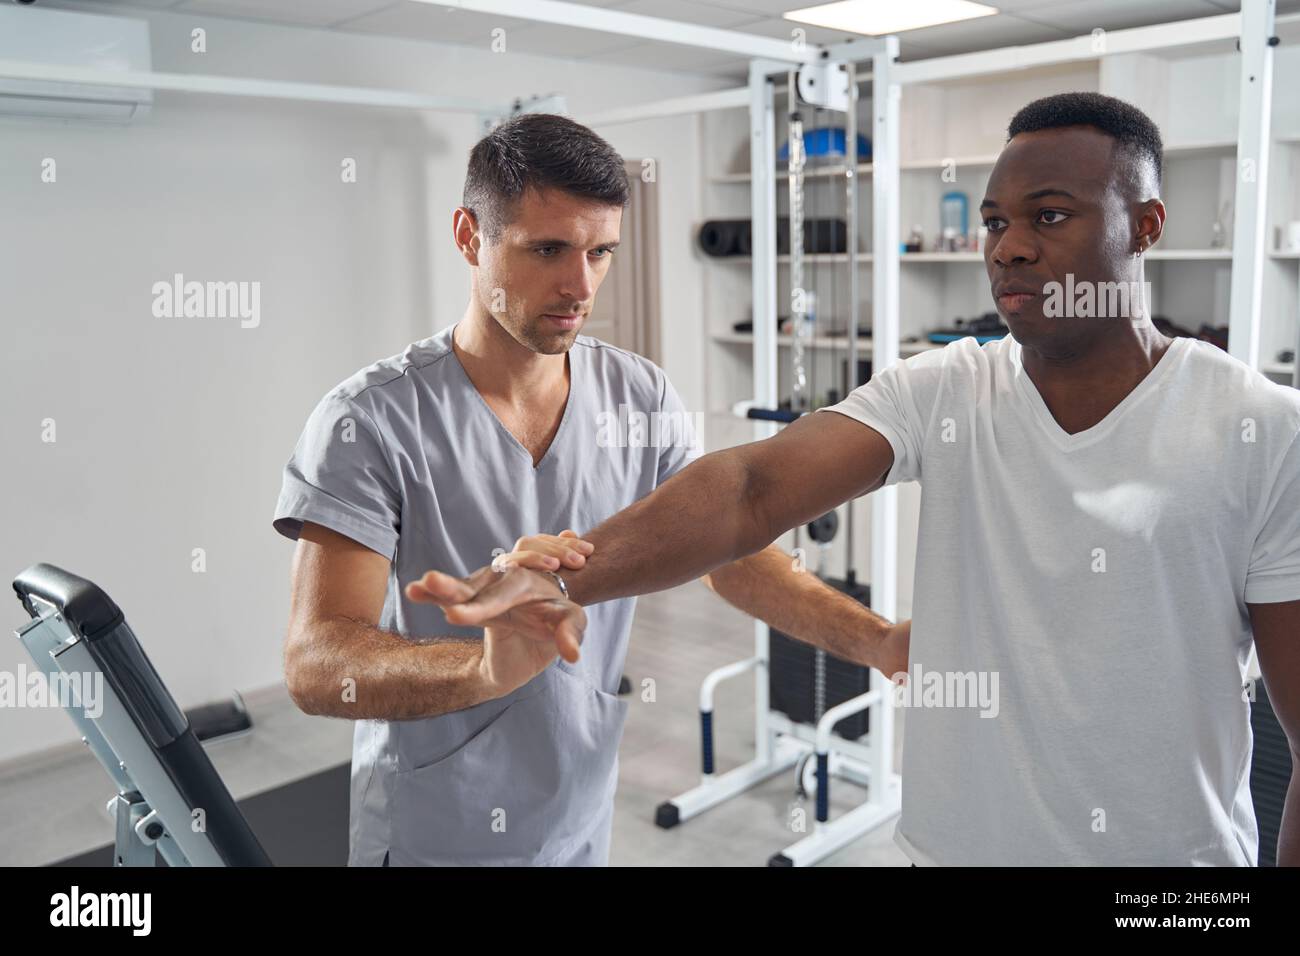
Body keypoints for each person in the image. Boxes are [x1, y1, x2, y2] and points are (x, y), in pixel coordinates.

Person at [414, 93, 1300, 866]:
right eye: (995, 222)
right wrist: (566, 573)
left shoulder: (1261, 429)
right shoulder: (948, 386)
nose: (1010, 249)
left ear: (1146, 225)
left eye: (1052, 216)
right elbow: (751, 489)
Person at [272, 112, 907, 866]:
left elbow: (730, 554)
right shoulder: (369, 420)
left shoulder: (638, 394)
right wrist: (481, 666)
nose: (580, 286)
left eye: (600, 252)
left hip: (578, 812)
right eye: (547, 249)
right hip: (433, 827)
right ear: (470, 237)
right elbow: (317, 664)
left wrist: (880, 642)